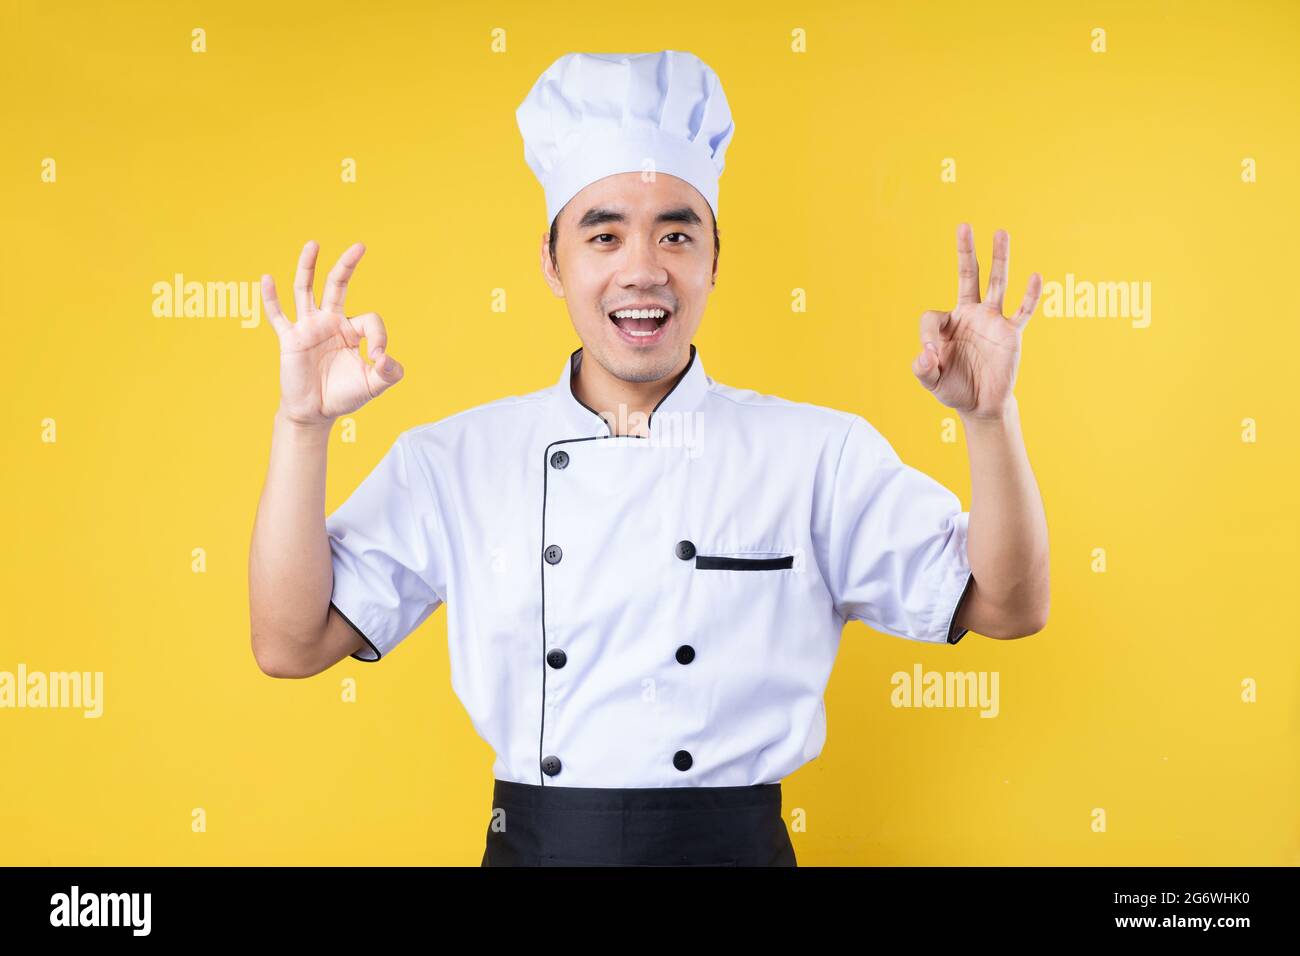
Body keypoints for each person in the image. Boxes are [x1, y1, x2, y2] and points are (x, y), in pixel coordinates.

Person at [247, 50, 1050, 867]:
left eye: (676, 232)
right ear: (552, 262)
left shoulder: (817, 454)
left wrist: (989, 419)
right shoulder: (456, 460)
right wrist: (302, 425)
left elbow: (1008, 605)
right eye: (604, 234)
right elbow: (291, 643)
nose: (642, 269)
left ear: (713, 259)